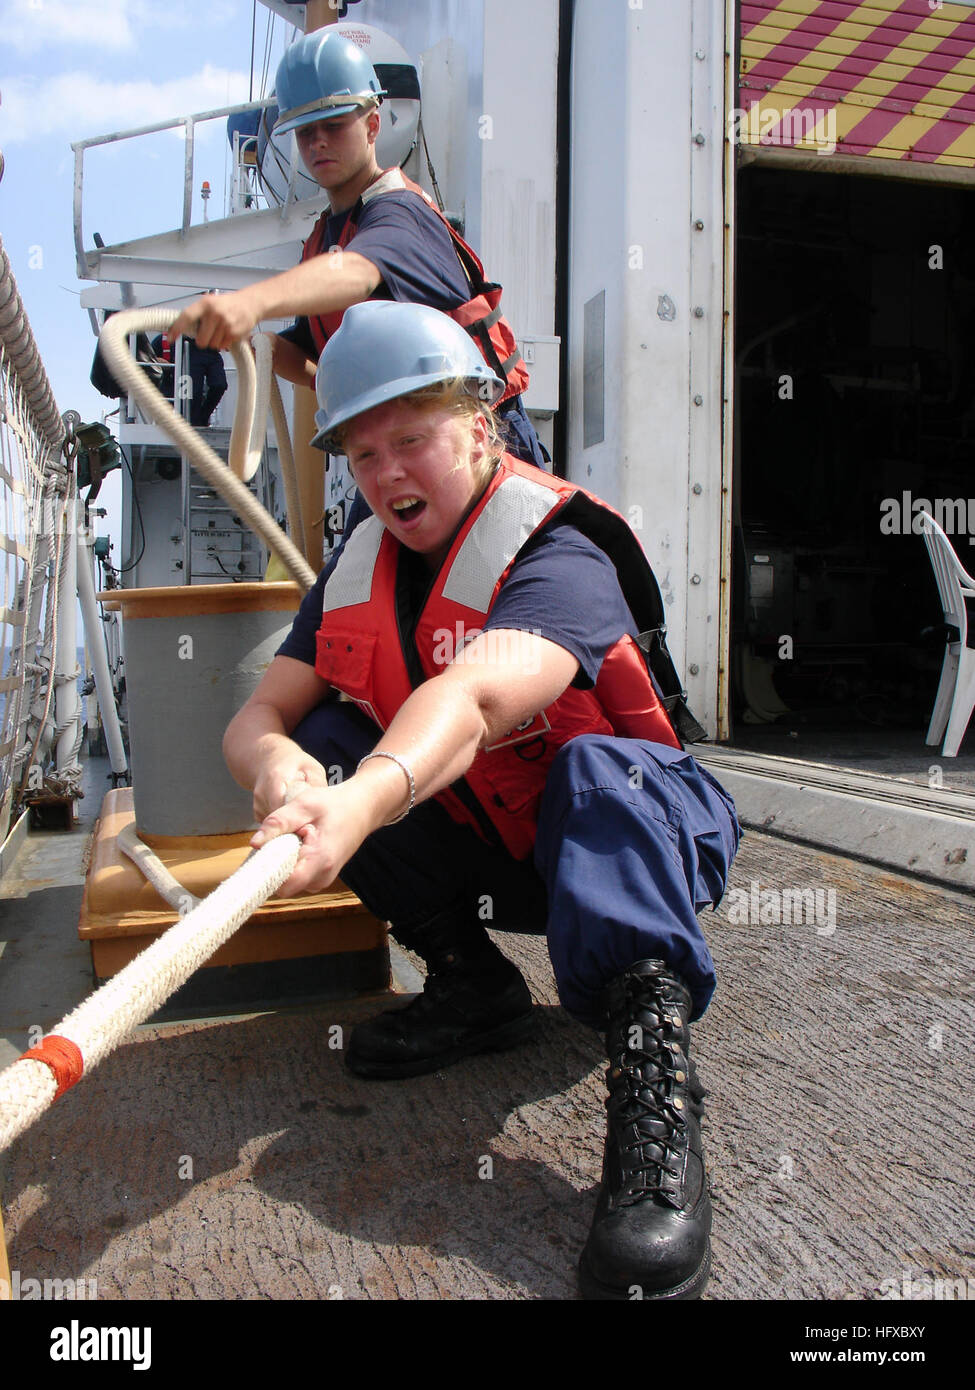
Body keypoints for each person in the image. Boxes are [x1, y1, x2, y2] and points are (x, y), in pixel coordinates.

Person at [222, 301, 741, 1301]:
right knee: (326, 743)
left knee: (599, 770)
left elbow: (473, 696)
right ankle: (475, 983)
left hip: (633, 839)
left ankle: (652, 1079)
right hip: (498, 842)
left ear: (479, 423)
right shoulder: (354, 567)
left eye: (412, 439)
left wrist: (365, 798)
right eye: (363, 454)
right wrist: (281, 770)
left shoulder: (560, 549)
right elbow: (261, 710)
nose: (388, 475)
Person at [171, 28, 545, 493]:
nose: (318, 143)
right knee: (353, 568)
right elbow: (315, 362)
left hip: (479, 446)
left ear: (371, 125)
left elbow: (358, 271)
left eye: (334, 125)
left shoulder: (399, 214)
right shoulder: (325, 235)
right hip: (399, 446)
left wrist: (248, 303)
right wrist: (254, 344)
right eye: (306, 132)